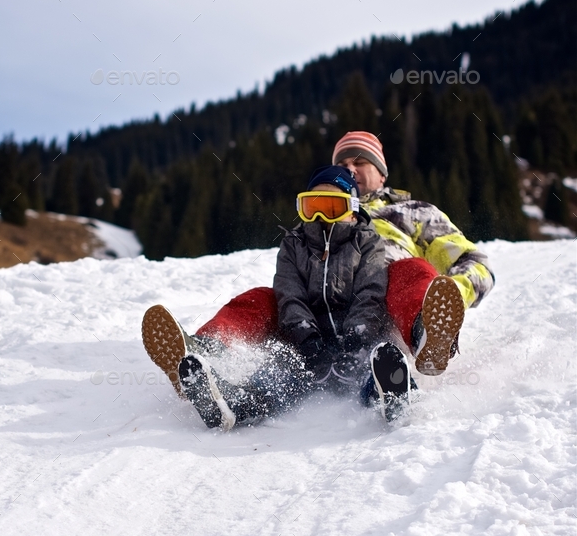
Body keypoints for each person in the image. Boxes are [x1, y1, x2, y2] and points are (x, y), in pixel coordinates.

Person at [148, 131, 494, 378]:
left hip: (384, 311)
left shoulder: (414, 213)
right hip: (313, 315)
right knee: (261, 299)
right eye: (343, 162)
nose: (351, 168)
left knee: (412, 269)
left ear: (382, 172)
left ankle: (426, 336)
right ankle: (203, 355)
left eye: (360, 161)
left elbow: (476, 266)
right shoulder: (321, 211)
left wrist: (448, 298)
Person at [142, 166, 408, 429]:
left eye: (331, 208)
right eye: (311, 207)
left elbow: (370, 292)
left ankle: (389, 394)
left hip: (355, 341)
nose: (319, 217)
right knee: (280, 370)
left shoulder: (367, 242)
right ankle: (235, 404)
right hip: (308, 345)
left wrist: (357, 338)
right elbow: (289, 294)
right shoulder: (294, 244)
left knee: (373, 362)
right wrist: (306, 338)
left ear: (352, 210)